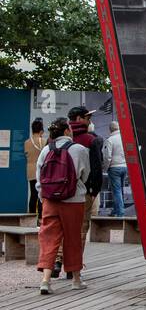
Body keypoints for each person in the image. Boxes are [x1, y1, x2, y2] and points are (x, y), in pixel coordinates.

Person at [35, 118, 90, 295]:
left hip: (50, 200)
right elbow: (85, 174)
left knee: (49, 238)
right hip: (73, 200)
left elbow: (39, 179)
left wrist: (44, 197)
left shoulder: (45, 150)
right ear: (67, 131)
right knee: (73, 237)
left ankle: (45, 280)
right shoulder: (79, 149)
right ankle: (75, 279)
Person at [67, 106, 105, 251]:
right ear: (79, 119)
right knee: (81, 228)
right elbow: (96, 168)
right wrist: (95, 191)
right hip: (83, 191)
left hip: (58, 192)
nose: (90, 121)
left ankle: (59, 259)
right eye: (87, 118)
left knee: (62, 227)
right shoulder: (91, 140)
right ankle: (74, 265)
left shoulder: (54, 140)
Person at [103, 121, 129, 217]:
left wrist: (106, 168)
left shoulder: (110, 140)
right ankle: (115, 210)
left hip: (114, 168)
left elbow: (107, 157)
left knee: (116, 190)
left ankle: (120, 212)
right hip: (124, 167)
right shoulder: (125, 139)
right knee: (120, 189)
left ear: (110, 129)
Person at [23, 119, 46, 217]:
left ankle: (31, 217)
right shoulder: (45, 141)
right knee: (41, 195)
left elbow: (26, 155)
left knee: (33, 195)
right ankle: (41, 217)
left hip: (31, 171)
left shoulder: (26, 142)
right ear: (41, 130)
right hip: (42, 171)